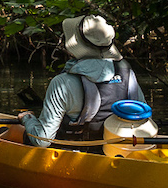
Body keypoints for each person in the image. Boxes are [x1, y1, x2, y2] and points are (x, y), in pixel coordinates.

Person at [20, 15, 145, 147]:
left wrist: (27, 118)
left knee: (15, 131)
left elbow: (42, 141)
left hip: (77, 152)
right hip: (119, 149)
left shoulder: (62, 83)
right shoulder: (128, 75)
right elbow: (144, 120)